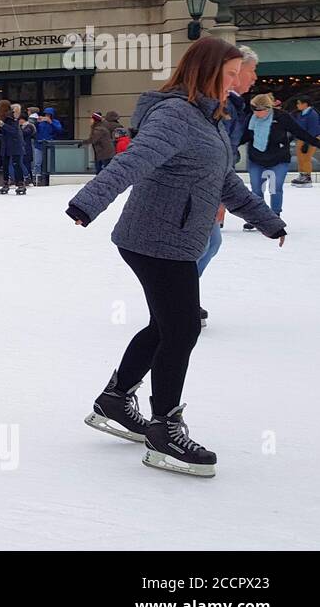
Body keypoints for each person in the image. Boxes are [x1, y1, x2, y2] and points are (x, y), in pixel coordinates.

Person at [66, 38, 285, 477]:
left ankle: (116, 399)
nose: (233, 84)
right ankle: (164, 430)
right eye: (228, 75)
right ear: (205, 71)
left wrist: (265, 219)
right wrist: (88, 202)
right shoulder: (175, 115)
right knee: (182, 327)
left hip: (175, 236)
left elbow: (226, 182)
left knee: (168, 324)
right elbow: (134, 162)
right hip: (156, 238)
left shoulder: (209, 118)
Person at [240, 92, 320, 225]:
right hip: (256, 158)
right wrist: (230, 147)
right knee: (256, 189)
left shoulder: (282, 117)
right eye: (254, 109)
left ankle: (275, 216)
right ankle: (259, 216)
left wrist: (314, 143)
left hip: (279, 158)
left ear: (268, 108)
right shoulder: (250, 119)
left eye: (260, 110)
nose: (257, 113)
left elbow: (298, 131)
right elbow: (244, 136)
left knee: (275, 187)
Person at [0, 100, 26, 194]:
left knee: (16, 164)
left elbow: (14, 131)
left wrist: (3, 125)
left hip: (14, 144)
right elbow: (4, 133)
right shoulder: (3, 117)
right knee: (5, 165)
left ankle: (20, 183)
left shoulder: (11, 117)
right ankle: (6, 183)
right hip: (6, 144)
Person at [290, 96, 319, 186]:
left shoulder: (312, 114)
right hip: (302, 138)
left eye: (299, 103)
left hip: (311, 138)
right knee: (300, 157)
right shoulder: (301, 113)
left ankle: (307, 177)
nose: (297, 105)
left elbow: (313, 129)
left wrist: (307, 142)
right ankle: (302, 174)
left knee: (306, 158)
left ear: (305, 104)